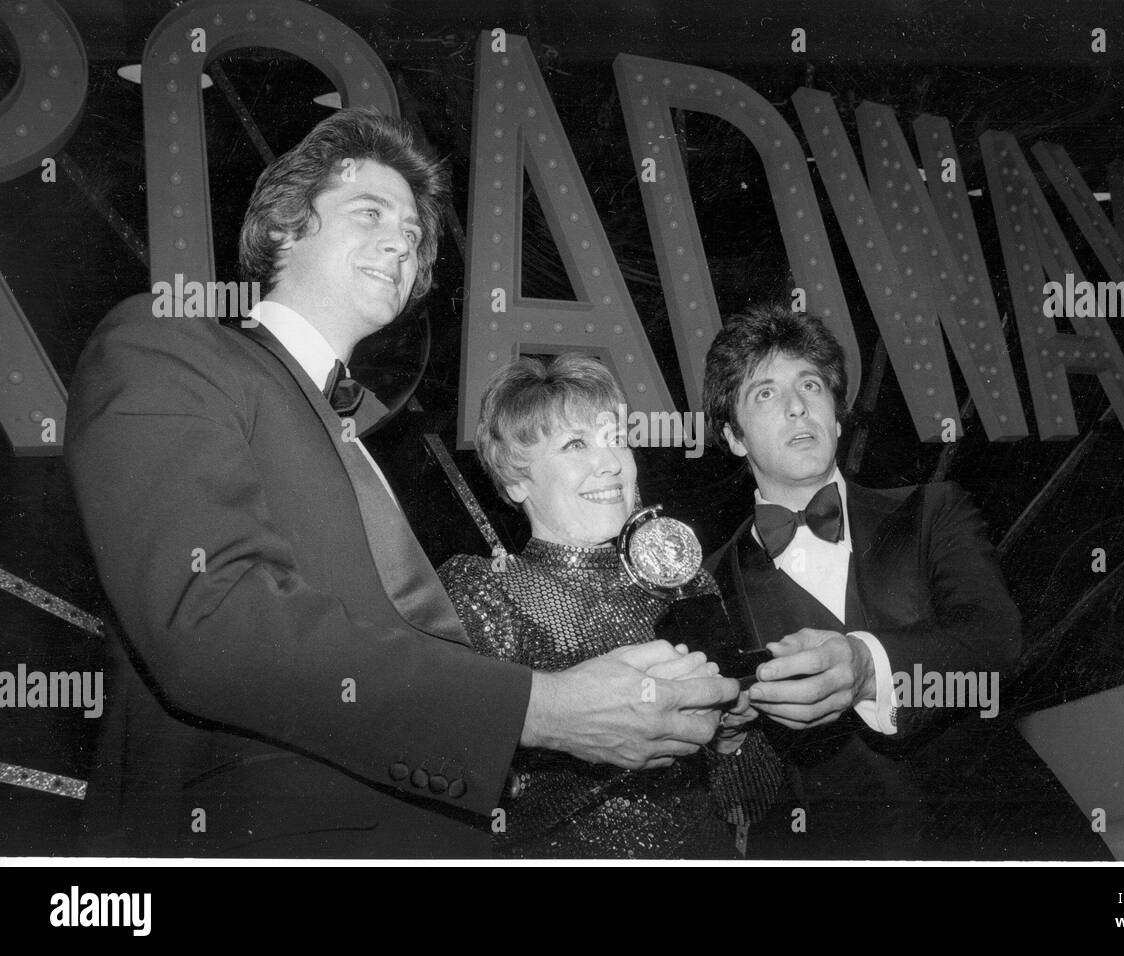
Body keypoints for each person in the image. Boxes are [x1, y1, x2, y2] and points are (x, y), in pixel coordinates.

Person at [63, 107, 738, 858]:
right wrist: (536, 710)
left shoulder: (347, 429)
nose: (401, 242)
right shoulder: (167, 346)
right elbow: (214, 619)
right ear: (288, 223)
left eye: (415, 236)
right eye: (369, 212)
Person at [701, 303, 1106, 859]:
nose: (797, 407)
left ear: (837, 417)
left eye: (811, 385)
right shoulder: (710, 585)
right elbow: (742, 798)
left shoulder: (934, 510)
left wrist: (868, 668)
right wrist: (730, 740)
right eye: (765, 393)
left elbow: (998, 641)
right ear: (734, 437)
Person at [439, 354, 783, 858]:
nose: (610, 461)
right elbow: (458, 796)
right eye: (576, 444)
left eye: (615, 438)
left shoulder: (689, 586)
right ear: (515, 480)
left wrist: (731, 739)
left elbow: (746, 806)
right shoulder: (486, 591)